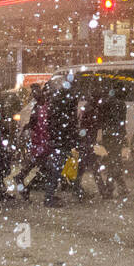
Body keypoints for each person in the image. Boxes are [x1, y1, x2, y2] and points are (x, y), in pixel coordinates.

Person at [43, 78, 80, 207]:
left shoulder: (56, 102)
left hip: (57, 139)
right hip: (62, 139)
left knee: (58, 167)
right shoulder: (66, 105)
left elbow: (52, 122)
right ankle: (49, 197)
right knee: (58, 168)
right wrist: (73, 138)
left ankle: (51, 195)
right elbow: (70, 123)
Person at [97, 82, 128, 200]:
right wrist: (123, 135)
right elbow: (122, 122)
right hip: (117, 136)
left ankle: (118, 187)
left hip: (108, 136)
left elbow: (101, 119)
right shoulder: (121, 104)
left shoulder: (105, 103)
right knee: (115, 161)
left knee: (114, 161)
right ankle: (113, 188)